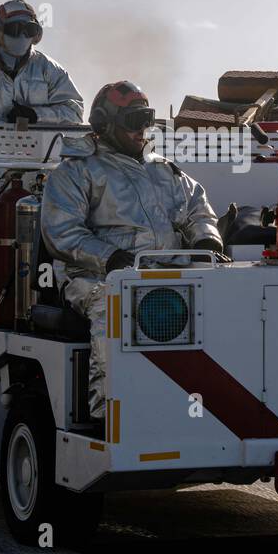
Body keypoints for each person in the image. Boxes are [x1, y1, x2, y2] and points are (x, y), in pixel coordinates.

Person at [41, 80, 223, 417]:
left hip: (165, 273)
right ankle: (107, 414)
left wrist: (206, 237)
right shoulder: (76, 171)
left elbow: (197, 207)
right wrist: (109, 257)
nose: (143, 128)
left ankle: (209, 410)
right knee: (114, 311)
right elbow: (61, 232)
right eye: (133, 120)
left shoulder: (165, 170)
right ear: (104, 124)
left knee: (224, 306)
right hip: (96, 278)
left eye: (147, 118)